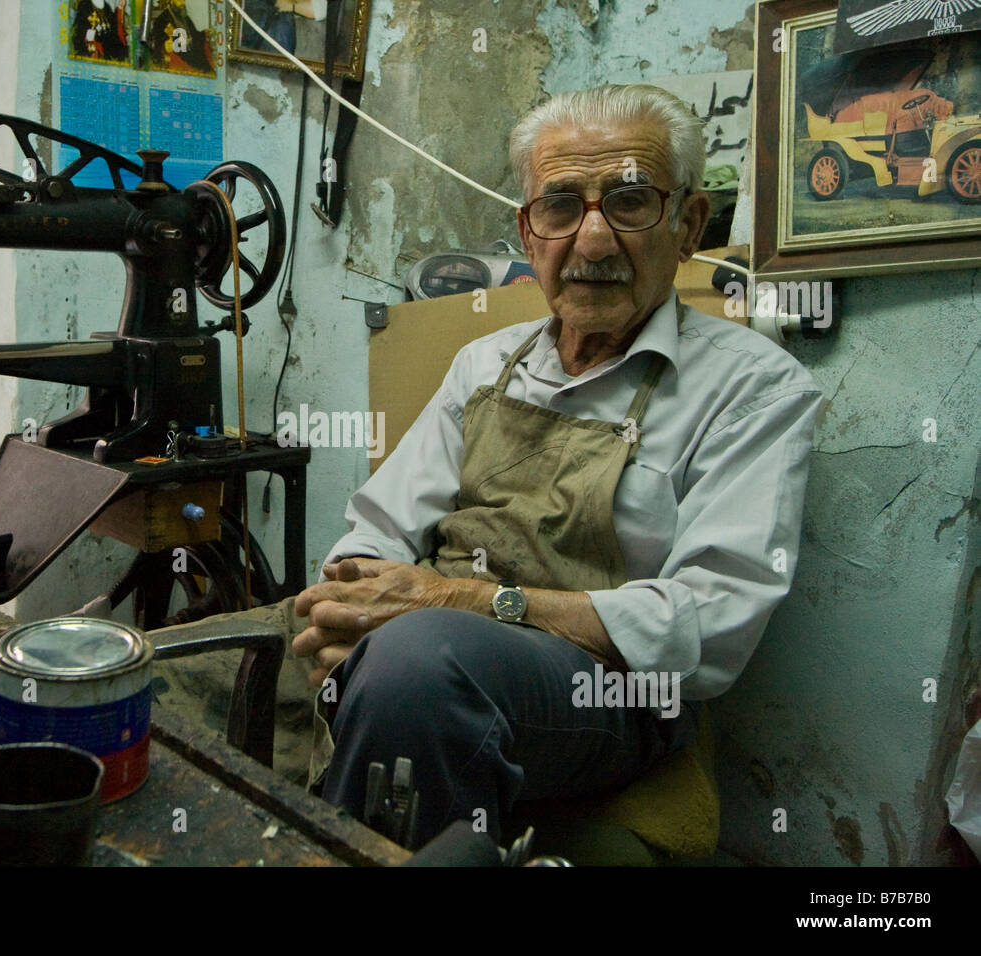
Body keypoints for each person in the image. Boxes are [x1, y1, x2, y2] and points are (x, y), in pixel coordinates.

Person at [288, 84, 825, 847]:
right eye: (562, 206)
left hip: (612, 690)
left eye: (631, 202)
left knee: (416, 666)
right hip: (433, 641)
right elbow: (377, 528)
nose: (594, 241)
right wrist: (351, 612)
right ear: (530, 230)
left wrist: (472, 604)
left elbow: (708, 628)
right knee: (189, 662)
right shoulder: (483, 364)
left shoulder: (753, 388)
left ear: (688, 225)